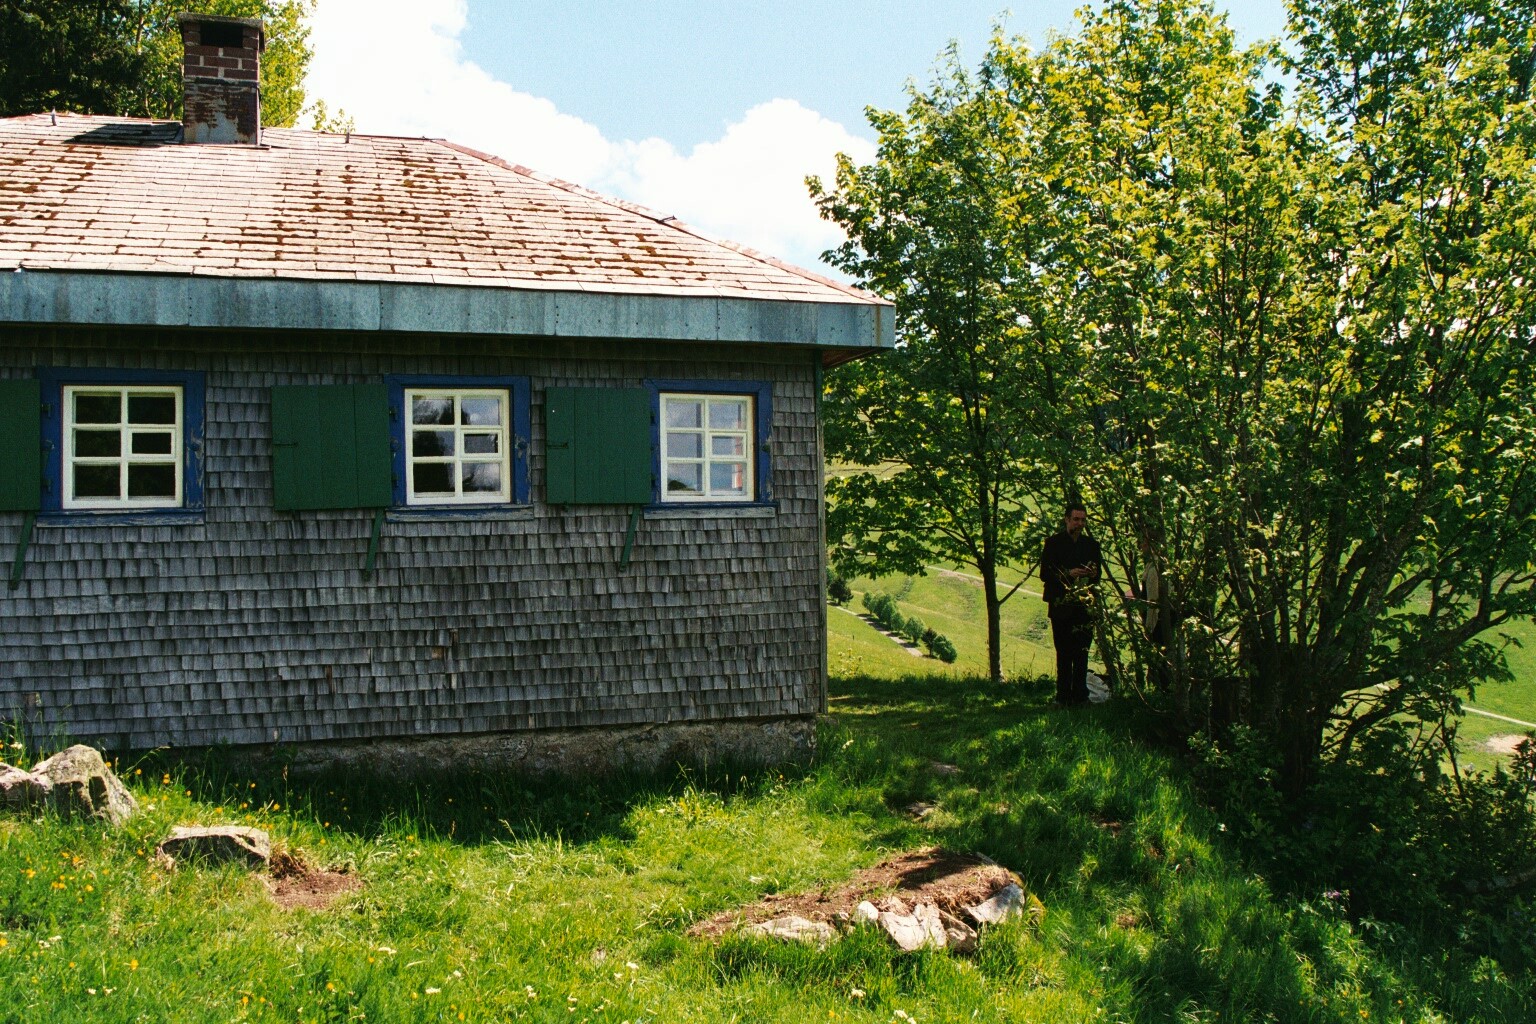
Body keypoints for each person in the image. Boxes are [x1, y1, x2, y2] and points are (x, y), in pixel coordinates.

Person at [1041, 502, 1101, 706]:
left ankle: (1081, 695)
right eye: (1076, 519)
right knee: (1064, 653)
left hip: (1084, 606)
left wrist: (1092, 574)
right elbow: (1045, 574)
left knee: (1082, 652)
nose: (1080, 524)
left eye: (1083, 520)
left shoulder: (1091, 545)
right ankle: (1063, 696)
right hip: (1061, 606)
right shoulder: (1053, 543)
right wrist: (1068, 574)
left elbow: (1098, 576)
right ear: (1067, 519)